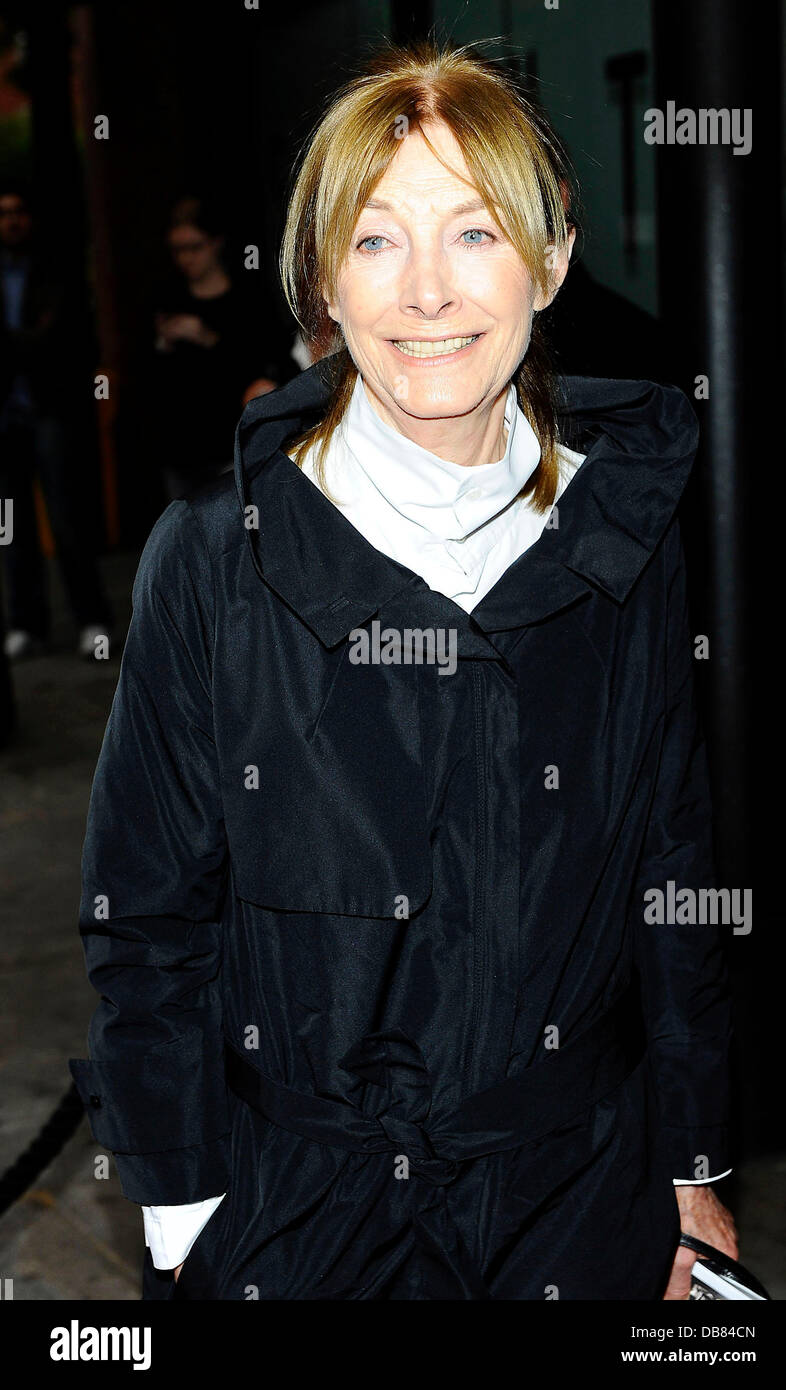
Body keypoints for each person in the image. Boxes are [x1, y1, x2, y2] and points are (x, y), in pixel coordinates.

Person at [69, 39, 737, 1301]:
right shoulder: (217, 554)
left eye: (473, 233)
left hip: (578, 1196)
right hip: (298, 1220)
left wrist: (691, 1164)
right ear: (325, 277)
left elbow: (670, 863)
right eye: (376, 240)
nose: (426, 292)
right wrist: (181, 1217)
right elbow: (146, 917)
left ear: (549, 261)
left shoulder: (622, 529)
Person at [0, 179, 113, 660]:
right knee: (11, 525)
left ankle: (93, 620)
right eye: (3, 212)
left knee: (68, 520)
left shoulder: (54, 267)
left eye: (19, 210)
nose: (12, 220)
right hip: (5, 416)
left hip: (51, 410)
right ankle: (27, 625)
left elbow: (60, 340)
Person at [148, 194, 295, 501]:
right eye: (177, 250)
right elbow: (152, 374)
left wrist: (206, 337)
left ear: (215, 244)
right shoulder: (168, 297)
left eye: (194, 247)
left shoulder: (246, 298)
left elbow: (267, 362)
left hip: (232, 439)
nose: (186, 258)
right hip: (181, 443)